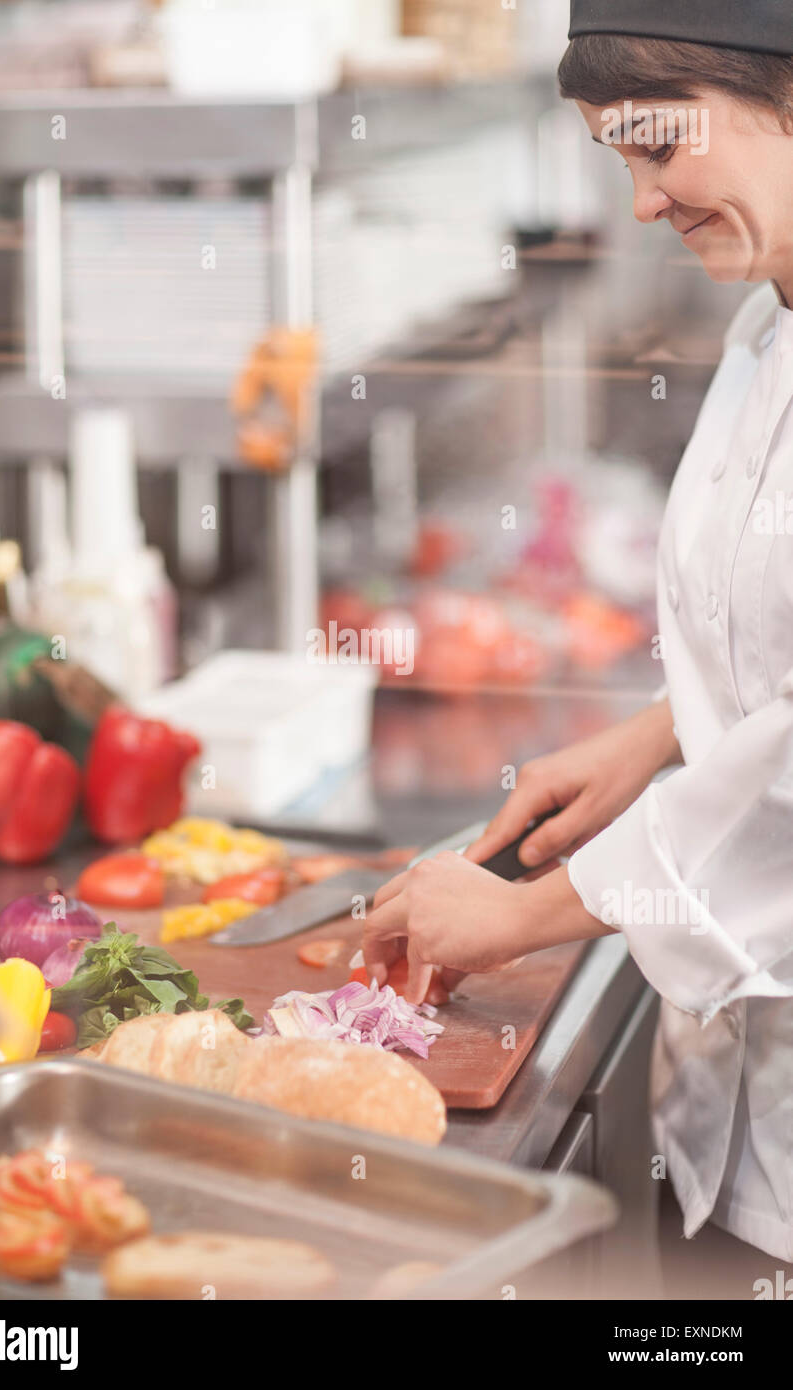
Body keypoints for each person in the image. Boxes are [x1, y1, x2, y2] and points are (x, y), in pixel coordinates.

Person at [362, 0, 793, 1296]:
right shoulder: (767, 317)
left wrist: (527, 913)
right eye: (619, 163)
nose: (645, 204)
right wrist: (655, 730)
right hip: (733, 1127)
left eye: (657, 148)